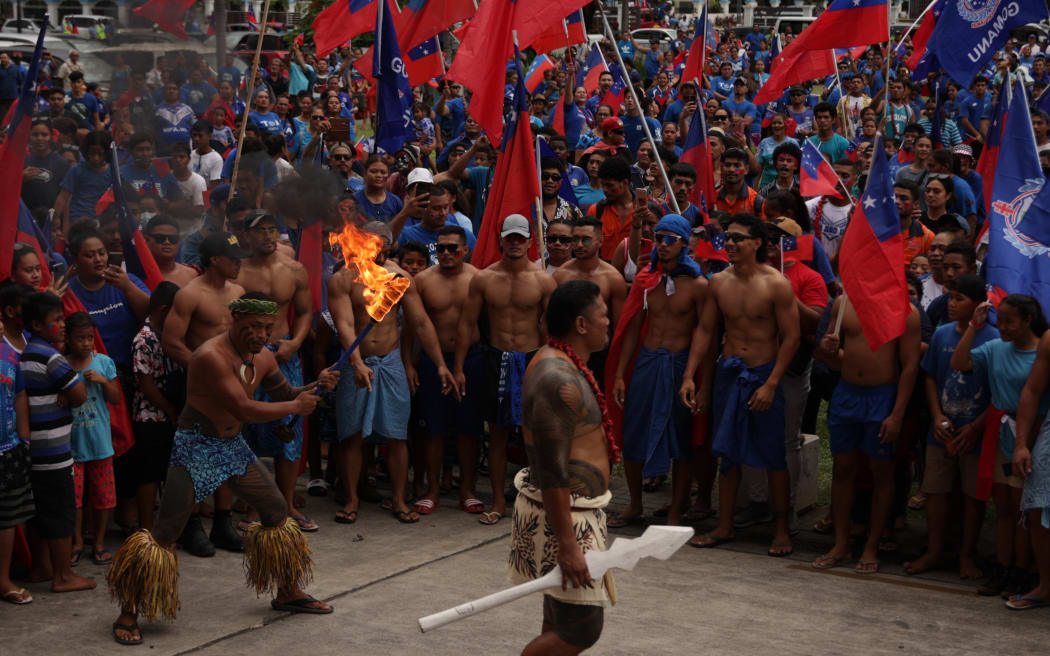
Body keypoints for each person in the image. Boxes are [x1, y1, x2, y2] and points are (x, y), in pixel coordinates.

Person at [108, 293, 338, 646]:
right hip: (196, 447)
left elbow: (286, 392)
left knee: (277, 510)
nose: (261, 335)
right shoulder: (210, 357)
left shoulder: (264, 357)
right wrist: (296, 404)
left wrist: (315, 386)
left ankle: (288, 591)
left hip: (231, 447)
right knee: (166, 532)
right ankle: (128, 611)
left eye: (268, 327)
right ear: (235, 320)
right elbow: (245, 408)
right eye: (254, 327)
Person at [680, 214, 799, 556]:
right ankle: (725, 523)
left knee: (773, 453)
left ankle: (781, 528)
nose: (730, 243)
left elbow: (791, 338)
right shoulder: (718, 282)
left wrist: (772, 383)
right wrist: (691, 376)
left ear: (757, 243)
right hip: (730, 372)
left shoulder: (776, 284)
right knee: (727, 450)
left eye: (738, 238)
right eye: (728, 238)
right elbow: (705, 331)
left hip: (763, 373)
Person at [514, 280, 618, 656]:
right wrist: (569, 545)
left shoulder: (564, 365)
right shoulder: (557, 379)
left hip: (573, 513)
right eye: (604, 315)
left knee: (559, 616)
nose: (610, 321)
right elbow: (552, 468)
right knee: (580, 630)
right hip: (566, 517)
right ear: (581, 324)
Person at [329, 222, 454, 525]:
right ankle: (351, 500)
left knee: (397, 435)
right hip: (356, 361)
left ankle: (398, 499)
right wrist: (357, 364)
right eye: (375, 244)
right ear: (362, 243)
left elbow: (421, 323)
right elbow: (345, 325)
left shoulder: (399, 278)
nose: (381, 250)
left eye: (386, 245)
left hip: (391, 361)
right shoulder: (343, 279)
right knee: (352, 435)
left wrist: (439, 363)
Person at [454, 215, 556, 525]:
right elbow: (467, 324)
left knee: (535, 435)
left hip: (532, 360)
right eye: (509, 237)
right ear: (501, 239)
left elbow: (552, 330)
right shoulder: (484, 279)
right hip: (496, 359)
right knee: (497, 435)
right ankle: (498, 500)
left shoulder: (543, 280)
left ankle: (535, 500)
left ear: (529, 241)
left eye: (519, 238)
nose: (514, 243)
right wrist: (458, 367)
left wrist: (554, 366)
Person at [812, 289, 921, 573]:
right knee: (843, 468)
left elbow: (910, 365)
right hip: (847, 393)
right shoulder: (844, 302)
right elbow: (830, 357)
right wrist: (828, 349)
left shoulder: (905, 311)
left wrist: (896, 414)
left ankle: (871, 545)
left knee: (881, 471)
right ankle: (841, 543)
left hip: (881, 396)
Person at [610, 215, 707, 528]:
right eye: (659, 238)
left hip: (679, 364)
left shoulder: (698, 285)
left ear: (683, 244)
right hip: (647, 362)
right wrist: (621, 374)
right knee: (633, 431)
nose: (663, 245)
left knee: (681, 437)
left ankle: (678, 507)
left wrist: (691, 375)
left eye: (670, 239)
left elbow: (706, 333)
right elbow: (632, 328)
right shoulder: (645, 280)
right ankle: (635, 504)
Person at [951, 295, 1046, 600]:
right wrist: (975, 326)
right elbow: (959, 362)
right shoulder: (995, 348)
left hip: (1030, 437)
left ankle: (1023, 570)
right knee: (1004, 506)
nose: (1002, 327)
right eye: (999, 321)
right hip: (1001, 436)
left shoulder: (1040, 354)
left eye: (1009, 321)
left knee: (1023, 510)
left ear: (1027, 321)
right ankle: (1003, 567)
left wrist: (1027, 441)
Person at [161, 232, 250, 554]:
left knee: (229, 451)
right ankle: (193, 523)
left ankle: (223, 522)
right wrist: (204, 370)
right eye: (233, 257)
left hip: (235, 387)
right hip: (200, 391)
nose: (240, 262)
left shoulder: (239, 292)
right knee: (197, 458)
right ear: (215, 260)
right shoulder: (190, 295)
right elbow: (171, 341)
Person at [905, 274, 996, 578]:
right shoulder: (942, 334)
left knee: (972, 496)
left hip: (976, 435)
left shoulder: (994, 339)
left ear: (978, 304)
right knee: (935, 490)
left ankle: (967, 555)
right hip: (941, 430)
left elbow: (999, 393)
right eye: (950, 297)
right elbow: (930, 376)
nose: (951, 304)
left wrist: (976, 428)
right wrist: (935, 415)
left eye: (959, 299)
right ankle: (933, 550)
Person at [232, 211, 314, 531]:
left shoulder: (294, 270)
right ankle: (255, 506)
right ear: (246, 236)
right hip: (249, 358)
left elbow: (306, 312)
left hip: (284, 355)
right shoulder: (237, 273)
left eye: (272, 229)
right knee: (248, 429)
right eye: (260, 230)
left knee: (289, 428)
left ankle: (288, 504)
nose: (267, 236)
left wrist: (296, 342)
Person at [21, 291, 94, 593]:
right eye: (56, 320)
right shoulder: (51, 357)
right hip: (54, 452)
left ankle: (41, 567)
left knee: (39, 511)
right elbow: (79, 395)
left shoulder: (26, 354)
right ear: (37, 325)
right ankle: (63, 575)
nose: (62, 325)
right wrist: (67, 392)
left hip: (34, 449)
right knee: (62, 512)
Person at [412, 226, 485, 515]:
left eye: (452, 248)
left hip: (472, 360)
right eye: (440, 248)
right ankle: (432, 489)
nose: (445, 253)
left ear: (464, 250)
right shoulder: (423, 280)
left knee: (469, 428)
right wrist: (409, 363)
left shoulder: (477, 278)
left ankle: (467, 489)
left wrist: (460, 367)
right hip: (433, 359)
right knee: (434, 428)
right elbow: (414, 326)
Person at [64, 312, 121, 567]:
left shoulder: (103, 363)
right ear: (68, 338)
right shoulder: (62, 365)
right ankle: (76, 542)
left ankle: (98, 543)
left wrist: (102, 380)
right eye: (80, 338)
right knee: (74, 499)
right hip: (71, 445)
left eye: (89, 338)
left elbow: (116, 398)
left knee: (103, 496)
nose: (85, 343)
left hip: (99, 444)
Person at [554, 216, 627, 384]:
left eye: (586, 240)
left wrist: (618, 372)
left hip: (600, 355)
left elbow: (619, 330)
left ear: (600, 242)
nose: (579, 245)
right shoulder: (560, 276)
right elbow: (551, 322)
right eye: (575, 239)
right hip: (566, 352)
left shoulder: (613, 279)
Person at [0, 304, 32, 604]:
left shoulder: (8, 356)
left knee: (7, 518)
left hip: (8, 448)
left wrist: (23, 438)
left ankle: (3, 579)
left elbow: (20, 394)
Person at [588, 157, 636, 261]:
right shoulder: (596, 211)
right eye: (603, 185)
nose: (605, 190)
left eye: (610, 185)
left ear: (625, 183)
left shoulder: (643, 210)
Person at [145, 215, 199, 287]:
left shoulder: (193, 274)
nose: (167, 242)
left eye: (172, 238)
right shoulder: (138, 274)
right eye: (160, 238)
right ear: (146, 240)